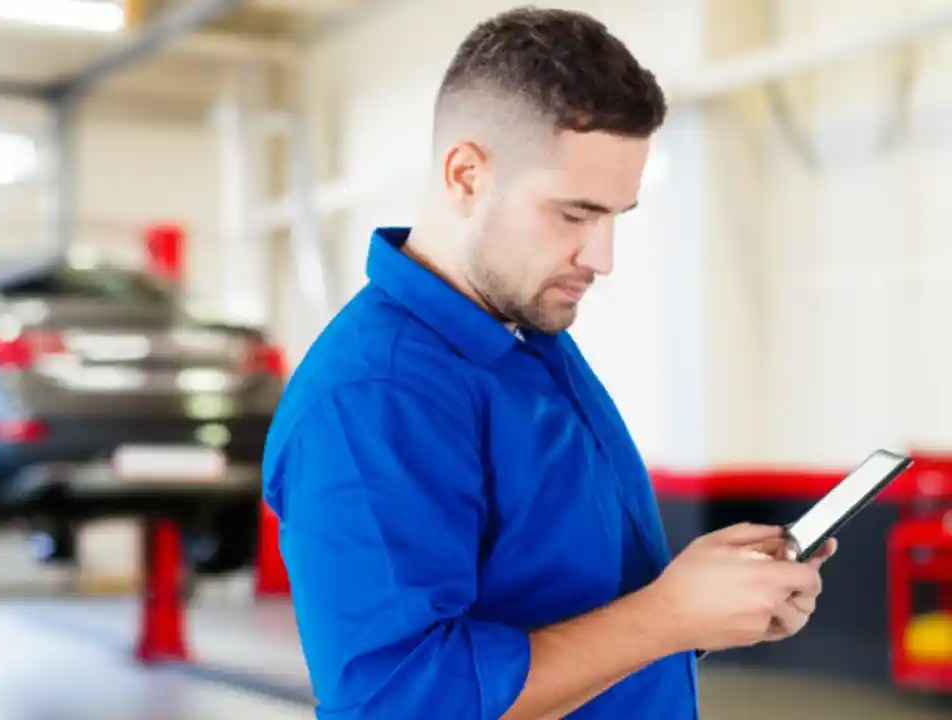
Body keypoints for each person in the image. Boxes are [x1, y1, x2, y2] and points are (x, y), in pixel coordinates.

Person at [262, 6, 836, 720]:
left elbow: (571, 614)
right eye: (574, 214)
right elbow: (402, 701)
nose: (602, 257)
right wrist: (668, 616)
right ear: (466, 175)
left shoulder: (528, 339)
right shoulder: (375, 395)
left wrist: (710, 606)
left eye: (616, 217)